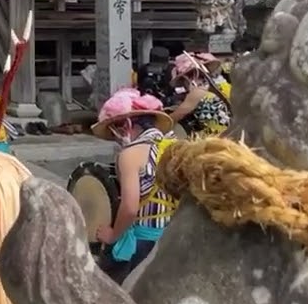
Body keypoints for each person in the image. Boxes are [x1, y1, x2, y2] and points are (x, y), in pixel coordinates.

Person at [88, 88, 178, 284]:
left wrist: (113, 235)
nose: (116, 139)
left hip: (144, 244)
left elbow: (129, 208)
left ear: (127, 125)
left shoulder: (130, 154)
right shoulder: (176, 146)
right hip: (174, 239)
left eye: (114, 132)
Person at [167, 52, 232, 137]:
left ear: (188, 78)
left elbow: (172, 120)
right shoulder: (220, 89)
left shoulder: (197, 93)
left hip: (217, 138)